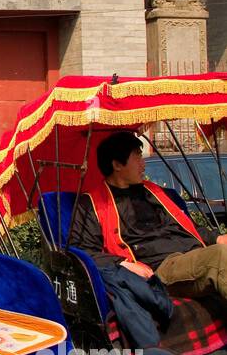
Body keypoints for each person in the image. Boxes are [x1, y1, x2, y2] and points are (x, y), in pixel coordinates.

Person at [69, 130, 227, 304]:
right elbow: (81, 251)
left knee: (222, 249)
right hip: (163, 266)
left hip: (194, 254)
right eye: (137, 157)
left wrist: (217, 237)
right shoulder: (91, 204)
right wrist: (123, 263)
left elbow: (184, 226)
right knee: (221, 255)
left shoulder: (152, 192)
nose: (143, 165)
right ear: (117, 165)